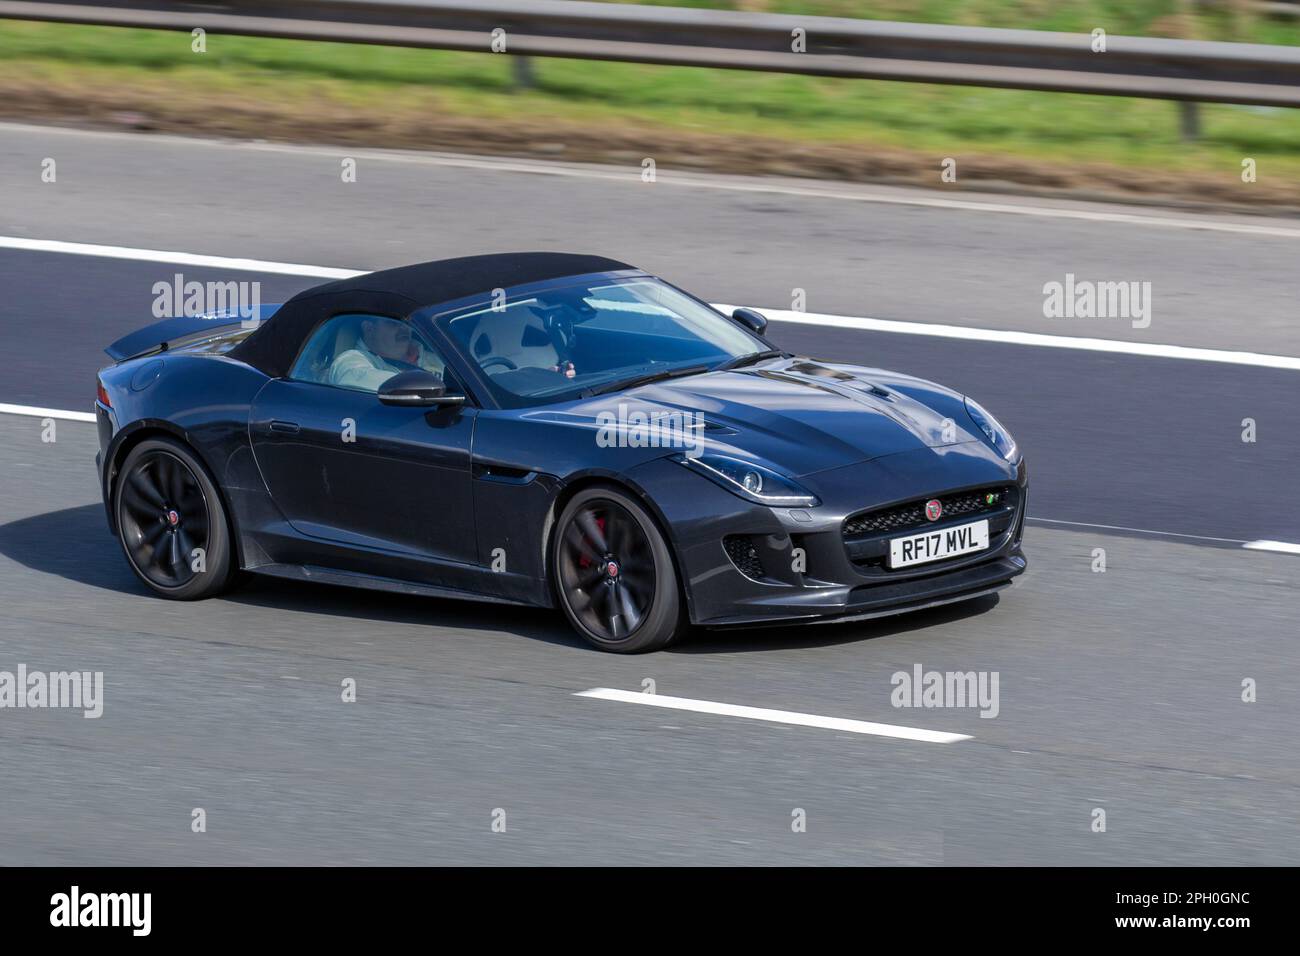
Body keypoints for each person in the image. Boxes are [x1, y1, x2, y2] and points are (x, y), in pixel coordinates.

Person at [328, 317, 443, 392]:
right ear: (369, 328)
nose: (404, 328)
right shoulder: (350, 360)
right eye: (393, 322)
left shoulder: (438, 358)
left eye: (407, 322)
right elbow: (356, 376)